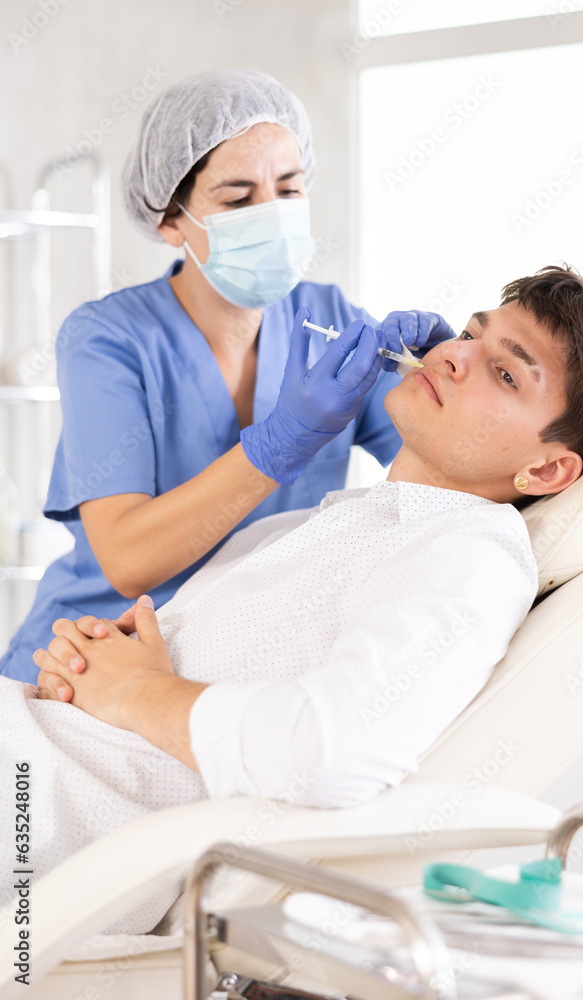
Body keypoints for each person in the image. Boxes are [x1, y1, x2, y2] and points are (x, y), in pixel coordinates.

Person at [1, 265, 583, 934]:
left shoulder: (469, 558)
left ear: (545, 469)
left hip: (40, 809)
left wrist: (132, 692)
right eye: (468, 334)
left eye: (506, 374)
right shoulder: (348, 524)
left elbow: (326, 751)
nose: (456, 355)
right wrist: (93, 672)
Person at [0, 68, 455, 682]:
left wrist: (456, 380)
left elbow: (446, 471)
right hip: (88, 657)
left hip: (236, 662)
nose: (270, 216)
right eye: (238, 200)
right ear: (170, 220)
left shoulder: (331, 319)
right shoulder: (108, 339)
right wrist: (279, 444)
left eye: (289, 191)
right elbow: (128, 560)